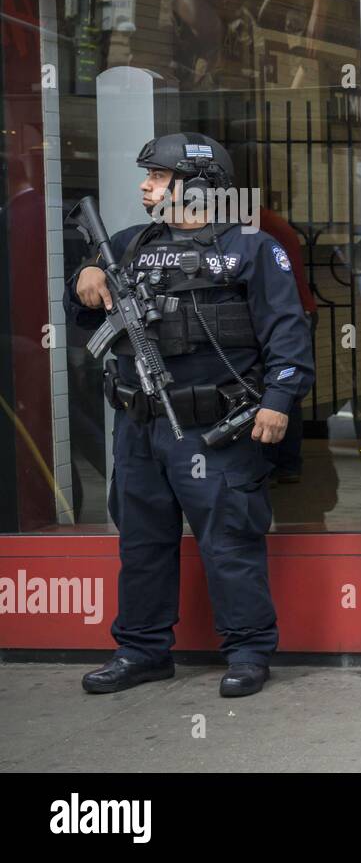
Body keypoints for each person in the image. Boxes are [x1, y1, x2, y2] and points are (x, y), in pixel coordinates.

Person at [68, 132, 314, 697]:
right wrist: (84, 281)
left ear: (198, 183)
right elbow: (85, 317)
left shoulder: (252, 247)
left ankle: (249, 651)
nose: (144, 185)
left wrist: (278, 402)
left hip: (215, 426)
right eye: (147, 175)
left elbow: (288, 335)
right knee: (142, 543)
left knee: (230, 542)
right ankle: (141, 650)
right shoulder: (126, 245)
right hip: (139, 424)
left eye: (157, 176)